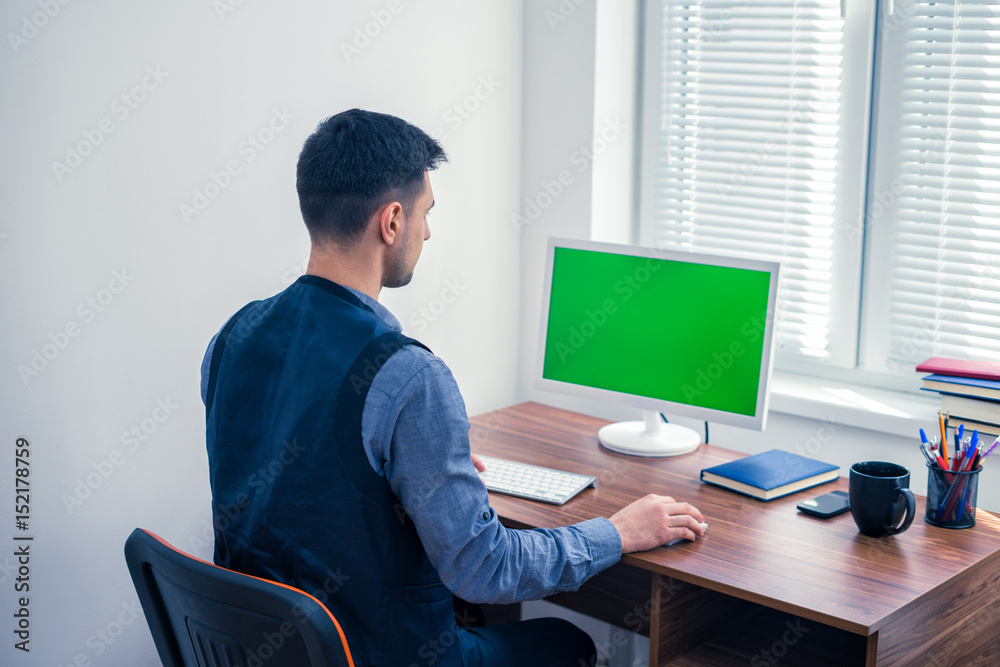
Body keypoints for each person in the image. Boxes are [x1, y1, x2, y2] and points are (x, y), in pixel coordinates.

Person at [201, 108, 706, 666]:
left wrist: (415, 471)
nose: (428, 231)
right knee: (568, 643)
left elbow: (298, 475)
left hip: (268, 650)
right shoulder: (408, 375)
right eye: (425, 213)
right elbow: (483, 567)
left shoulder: (233, 336)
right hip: (383, 654)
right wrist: (617, 532)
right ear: (391, 221)